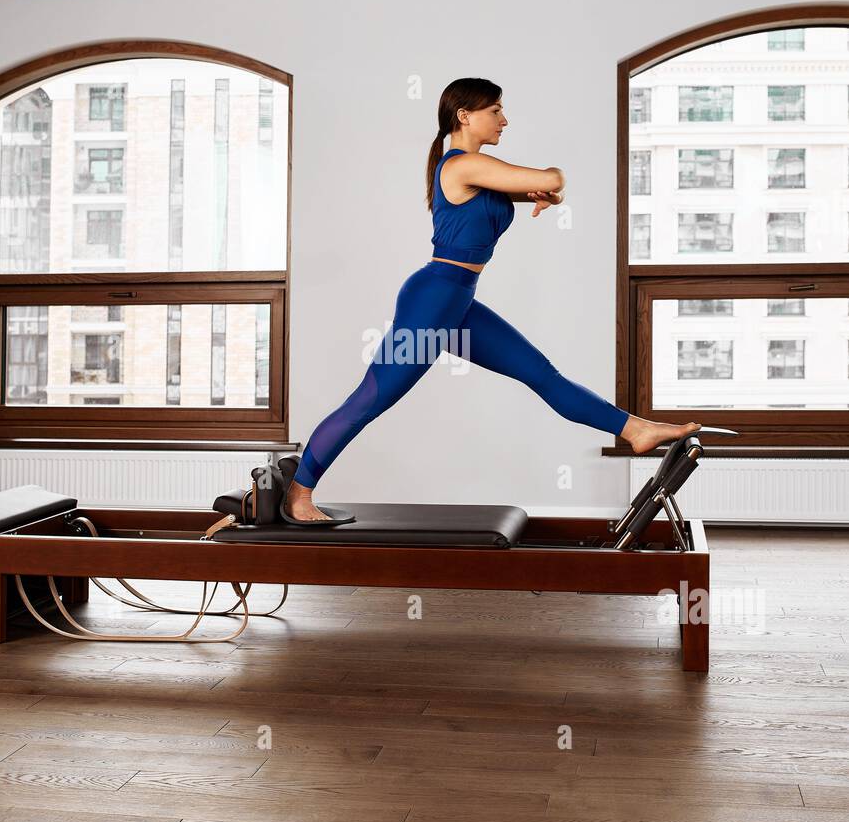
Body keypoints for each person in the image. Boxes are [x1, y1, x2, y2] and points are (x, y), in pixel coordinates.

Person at [284, 77, 699, 522]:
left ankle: (635, 429)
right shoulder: (462, 166)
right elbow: (552, 177)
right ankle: (298, 494)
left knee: (541, 374)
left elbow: (541, 189)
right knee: (369, 400)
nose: (504, 119)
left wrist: (547, 194)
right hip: (432, 302)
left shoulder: (479, 172)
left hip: (457, 300)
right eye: (495, 110)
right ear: (464, 115)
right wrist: (549, 186)